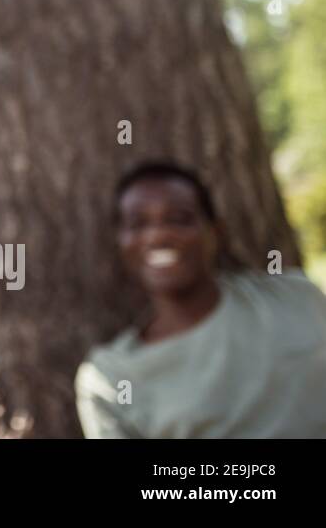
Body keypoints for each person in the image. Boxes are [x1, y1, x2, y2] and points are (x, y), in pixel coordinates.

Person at [75, 161, 326, 438]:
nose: (158, 234)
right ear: (121, 242)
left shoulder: (296, 296)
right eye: (138, 223)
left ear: (215, 232)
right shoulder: (110, 377)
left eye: (179, 219)